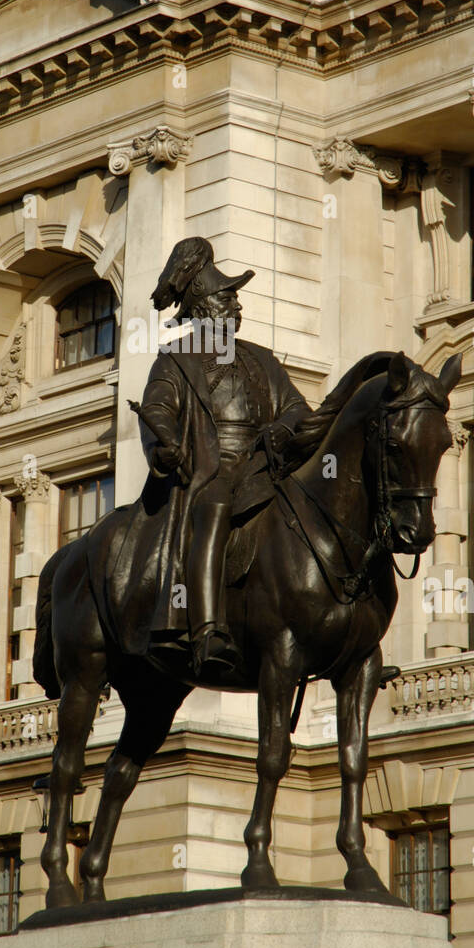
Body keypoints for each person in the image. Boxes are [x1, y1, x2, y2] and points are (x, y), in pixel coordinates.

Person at [134, 238, 312, 680]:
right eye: (226, 296)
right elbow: (156, 409)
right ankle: (208, 628)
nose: (236, 304)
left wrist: (281, 430)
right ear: (200, 304)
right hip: (212, 466)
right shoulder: (176, 359)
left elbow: (297, 408)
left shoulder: (262, 360)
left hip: (265, 462)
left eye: (236, 296)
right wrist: (169, 444)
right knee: (213, 509)